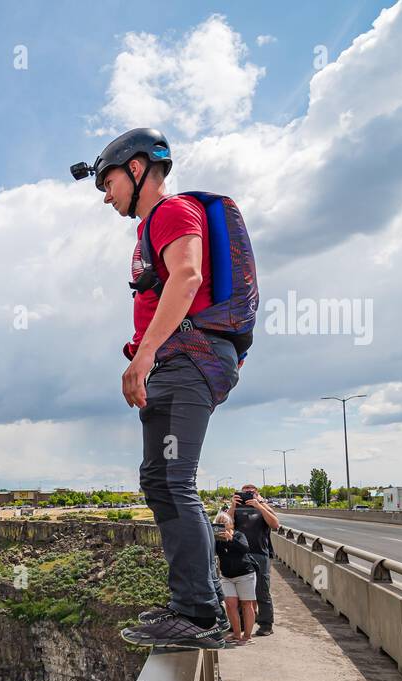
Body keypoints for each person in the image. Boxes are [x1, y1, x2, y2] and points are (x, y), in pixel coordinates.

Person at [88, 128, 241, 649]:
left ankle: (200, 613)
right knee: (161, 479)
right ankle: (192, 605)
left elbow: (187, 276)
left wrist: (148, 353)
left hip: (186, 357)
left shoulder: (171, 212)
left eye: (107, 182)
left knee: (172, 480)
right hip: (182, 360)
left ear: (135, 169)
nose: (105, 196)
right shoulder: (155, 223)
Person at [232, 483, 279, 635]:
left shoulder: (263, 507)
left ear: (257, 493)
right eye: (244, 492)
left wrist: (259, 505)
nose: (247, 495)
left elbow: (275, 524)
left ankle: (266, 625)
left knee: (262, 591)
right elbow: (225, 525)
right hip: (240, 555)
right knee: (240, 592)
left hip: (260, 554)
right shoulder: (236, 509)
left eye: (251, 492)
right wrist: (233, 505)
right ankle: (243, 623)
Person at [213, 509, 256, 644]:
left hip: (245, 575)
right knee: (230, 605)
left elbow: (245, 549)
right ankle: (236, 634)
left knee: (246, 604)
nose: (222, 524)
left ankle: (247, 636)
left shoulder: (238, 535)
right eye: (219, 523)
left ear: (231, 524)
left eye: (225, 522)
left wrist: (230, 539)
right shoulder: (217, 541)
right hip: (227, 576)